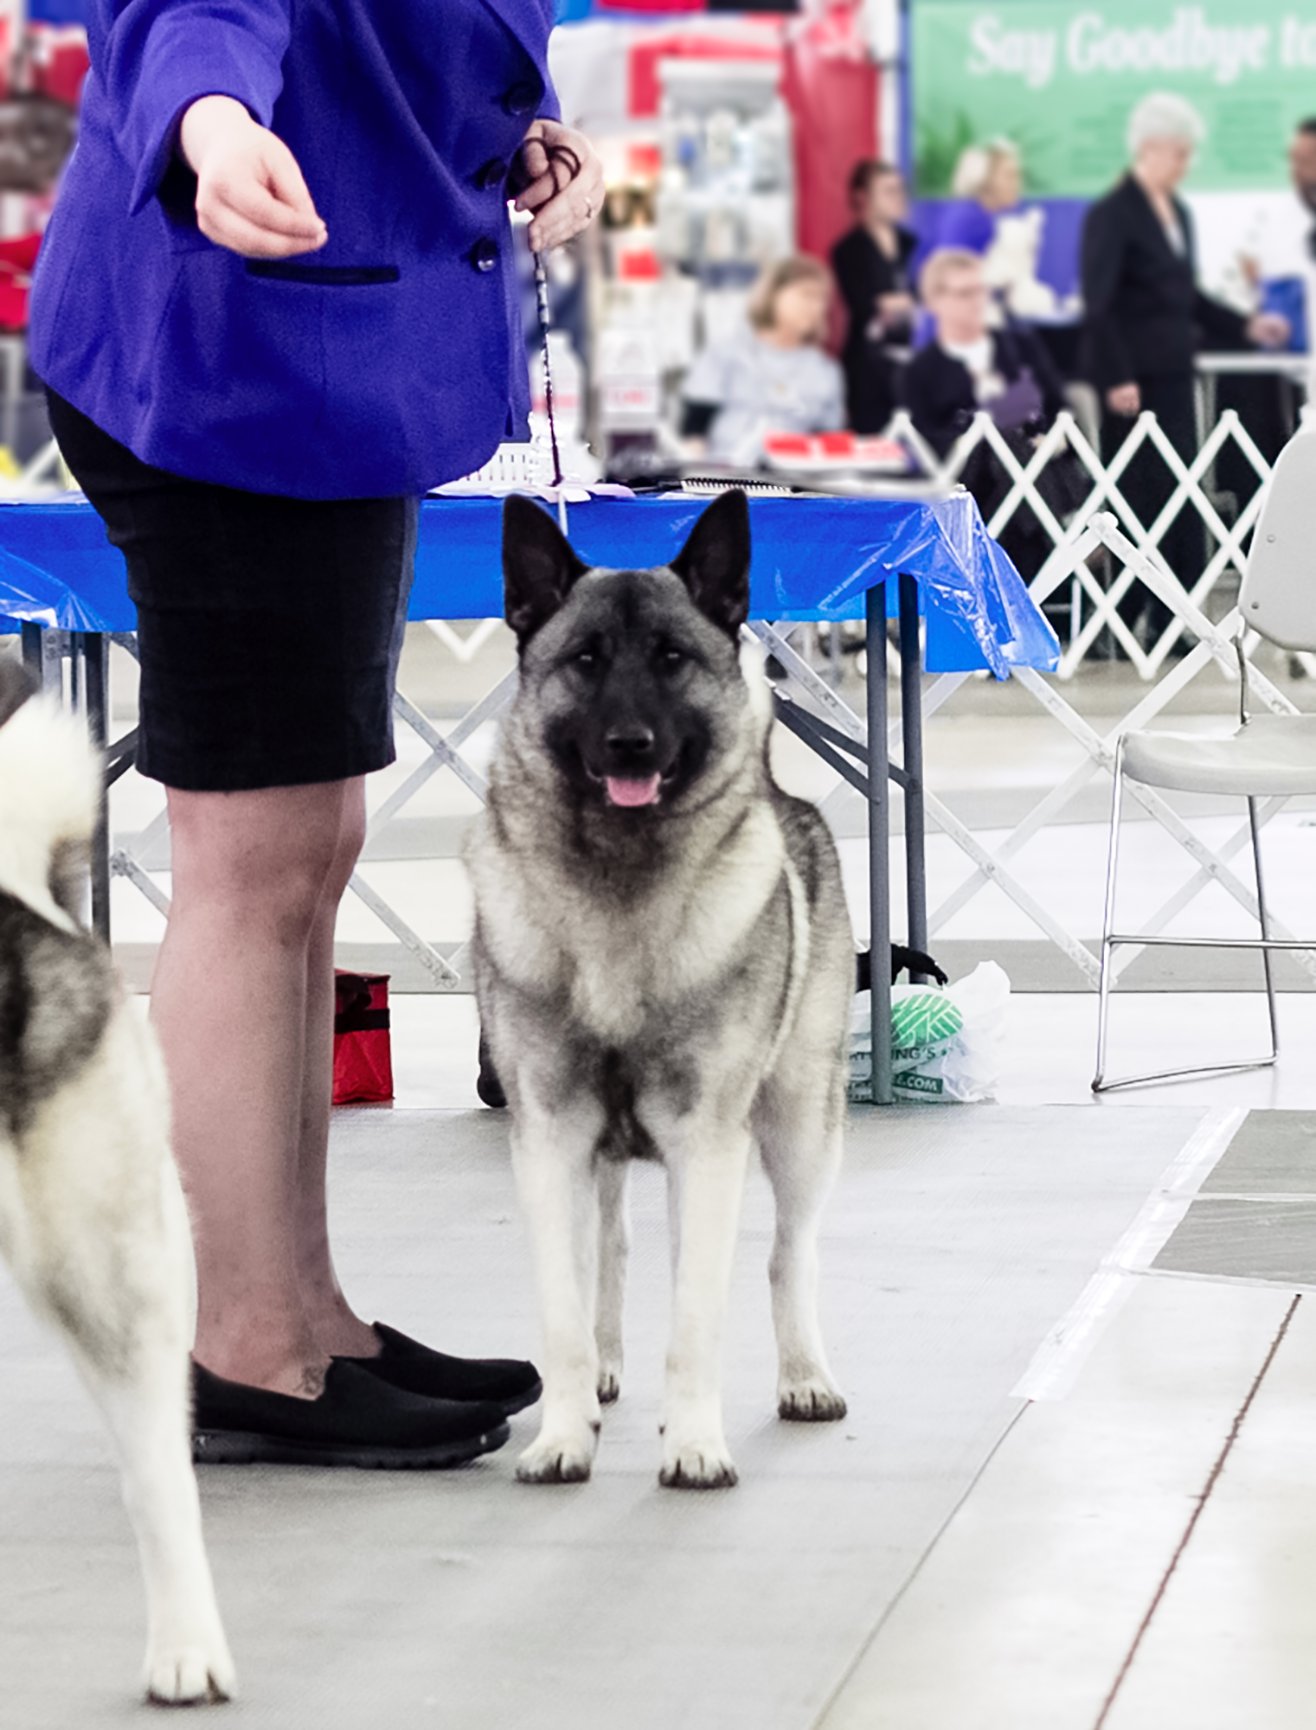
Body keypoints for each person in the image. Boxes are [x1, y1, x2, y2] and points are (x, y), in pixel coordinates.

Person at [28, 1, 604, 1467]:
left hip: (330, 341)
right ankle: (237, 1341)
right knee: (251, 856)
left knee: (306, 844)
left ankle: (301, 1309)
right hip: (236, 358)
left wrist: (515, 142)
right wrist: (210, 126)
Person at [1080, 92, 1288, 645]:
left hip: (1173, 375)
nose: (1186, 163)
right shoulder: (1113, 214)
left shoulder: (1181, 215)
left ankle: (1174, 619)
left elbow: (1188, 298)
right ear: (1151, 148)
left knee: (1179, 495)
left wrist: (1249, 327)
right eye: (1179, 152)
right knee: (1135, 496)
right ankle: (1121, 626)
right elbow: (1098, 303)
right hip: (1130, 382)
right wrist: (1117, 373)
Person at [904, 247, 1077, 579]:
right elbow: (926, 433)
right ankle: (1047, 545)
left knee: (1012, 453)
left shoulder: (1019, 347)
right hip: (963, 478)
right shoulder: (924, 366)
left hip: (1029, 466)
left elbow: (1060, 409)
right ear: (936, 302)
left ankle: (1030, 540)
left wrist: (1048, 436)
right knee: (999, 442)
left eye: (981, 291)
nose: (976, 301)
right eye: (964, 293)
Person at [680, 255, 845, 465]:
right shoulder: (726, 353)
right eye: (806, 295)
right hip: (728, 477)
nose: (816, 307)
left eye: (821, 299)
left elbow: (829, 444)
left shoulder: (825, 370)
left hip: (798, 486)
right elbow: (694, 431)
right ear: (773, 295)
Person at [830, 160, 918, 433]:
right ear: (863, 197)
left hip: (912, 358)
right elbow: (865, 304)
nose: (898, 197)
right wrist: (905, 303)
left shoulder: (911, 243)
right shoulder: (848, 250)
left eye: (900, 190)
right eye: (888, 191)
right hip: (867, 365)